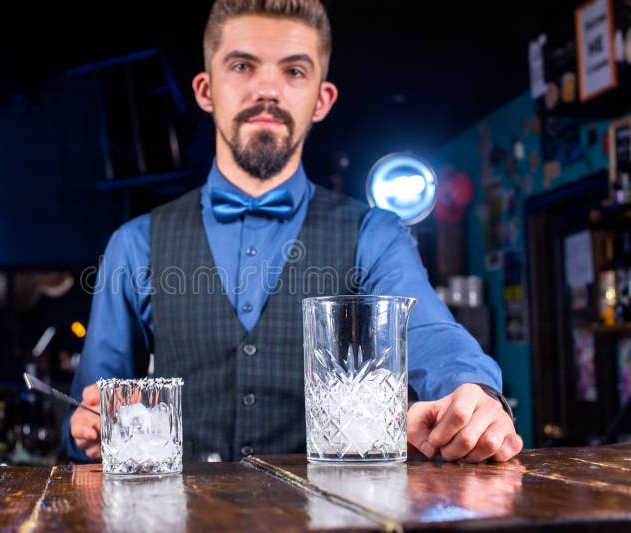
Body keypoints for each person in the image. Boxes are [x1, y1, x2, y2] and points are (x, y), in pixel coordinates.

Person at [66, 0, 523, 464]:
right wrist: (85, 426)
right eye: (243, 66)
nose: (267, 90)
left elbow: (429, 331)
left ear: (322, 99)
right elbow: (86, 415)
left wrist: (472, 391)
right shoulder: (133, 244)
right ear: (205, 90)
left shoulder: (375, 235)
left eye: (294, 72)